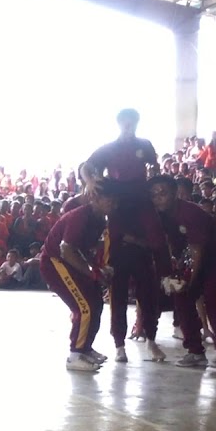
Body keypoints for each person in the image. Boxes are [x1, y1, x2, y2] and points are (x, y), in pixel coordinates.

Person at [79, 108, 168, 364]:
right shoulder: (108, 149)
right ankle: (119, 345)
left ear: (137, 124)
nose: (129, 127)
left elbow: (155, 167)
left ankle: (151, 339)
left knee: (149, 291)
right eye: (125, 124)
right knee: (117, 292)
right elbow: (87, 166)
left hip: (141, 209)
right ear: (119, 124)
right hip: (119, 222)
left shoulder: (145, 145)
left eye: (133, 124)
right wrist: (89, 181)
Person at [147, 175, 216, 370]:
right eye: (153, 195)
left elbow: (198, 250)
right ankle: (195, 351)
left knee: (214, 300)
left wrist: (189, 280)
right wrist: (173, 276)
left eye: (162, 193)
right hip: (188, 255)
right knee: (182, 298)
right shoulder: (158, 215)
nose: (158, 198)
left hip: (215, 254)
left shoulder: (190, 213)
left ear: (175, 193)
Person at [40, 187, 116, 372]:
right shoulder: (80, 217)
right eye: (109, 200)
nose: (113, 205)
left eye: (115, 202)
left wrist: (97, 269)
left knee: (96, 303)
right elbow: (66, 250)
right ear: (95, 199)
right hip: (56, 263)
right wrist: (91, 273)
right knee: (84, 307)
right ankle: (75, 355)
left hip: (72, 261)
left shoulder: (99, 218)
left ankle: (85, 348)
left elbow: (83, 249)